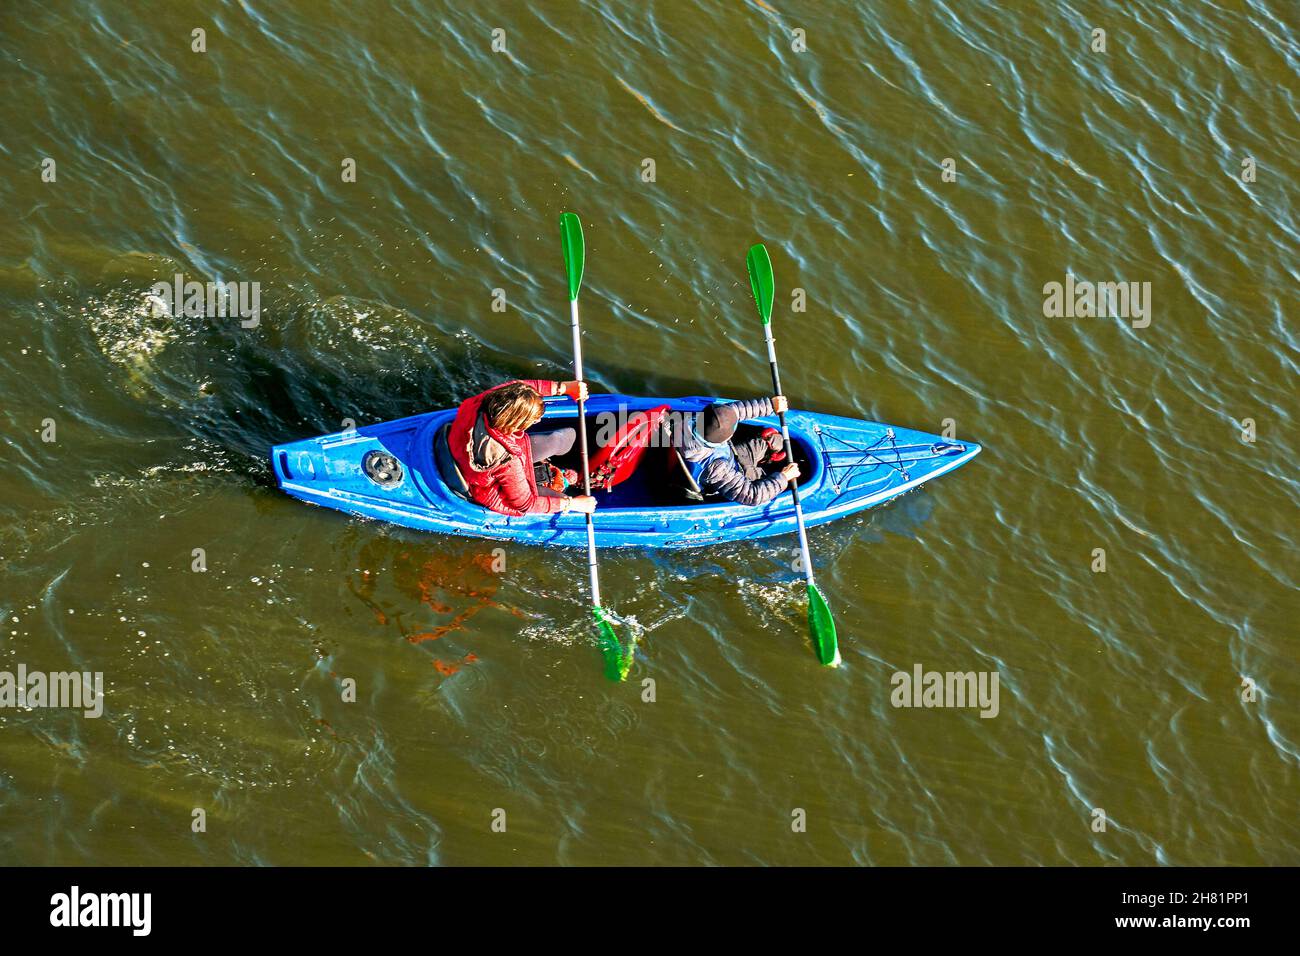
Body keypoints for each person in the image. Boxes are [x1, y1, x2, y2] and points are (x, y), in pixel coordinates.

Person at [448, 379, 598, 517]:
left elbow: (520, 387)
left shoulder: (483, 401)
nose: (539, 420)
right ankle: (567, 486)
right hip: (490, 491)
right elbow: (525, 503)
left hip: (462, 452)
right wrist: (572, 503)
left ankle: (553, 472)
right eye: (534, 418)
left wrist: (564, 387)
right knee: (564, 498)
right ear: (516, 421)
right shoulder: (506, 460)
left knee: (565, 436)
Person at [671, 395, 800, 505]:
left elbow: (730, 412)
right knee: (769, 475)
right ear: (726, 439)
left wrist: (770, 405)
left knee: (775, 441)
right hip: (735, 476)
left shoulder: (688, 421)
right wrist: (783, 477)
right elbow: (752, 495)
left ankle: (769, 456)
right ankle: (769, 467)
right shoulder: (717, 469)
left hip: (733, 457)